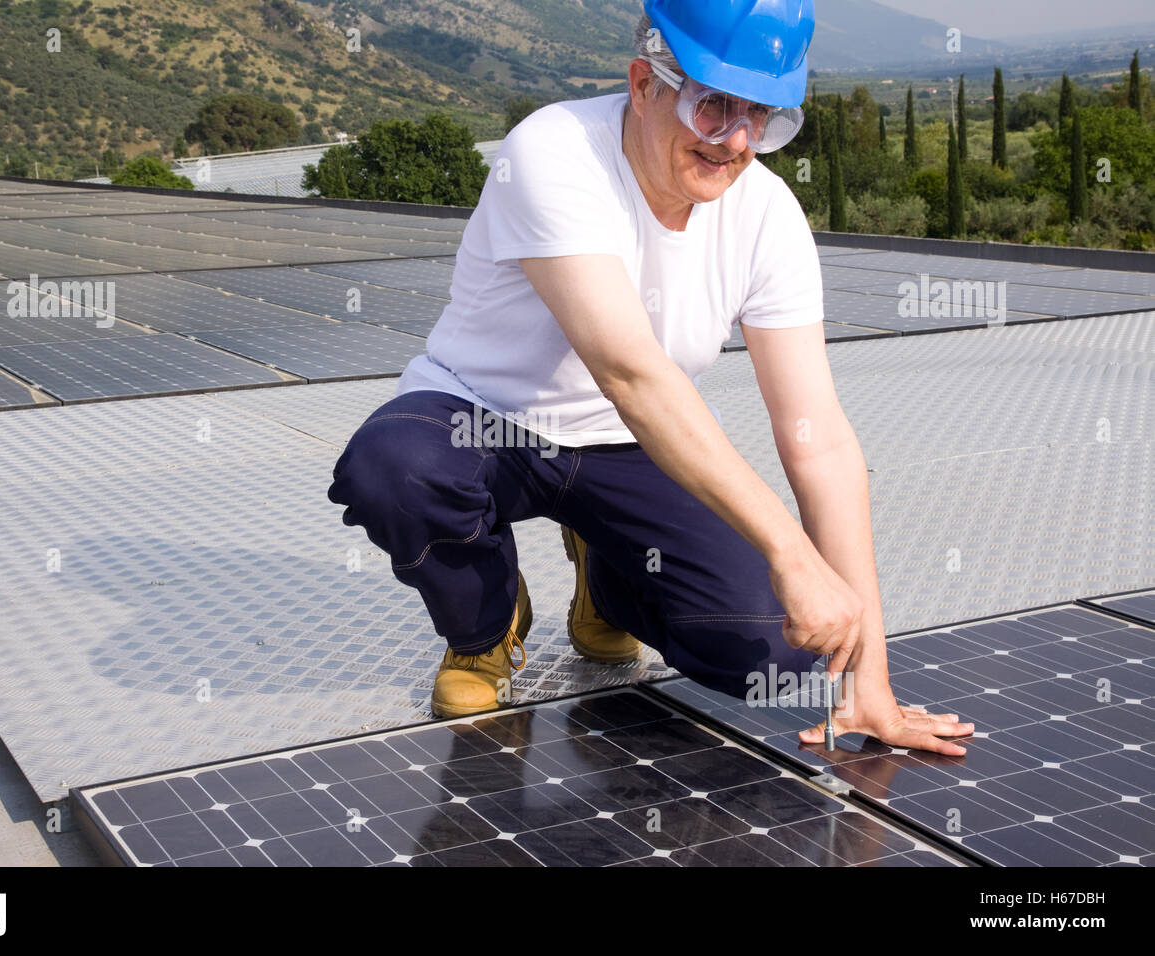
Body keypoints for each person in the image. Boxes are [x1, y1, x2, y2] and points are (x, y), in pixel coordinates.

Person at [328, 0, 973, 755]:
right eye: (712, 106)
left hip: (633, 447)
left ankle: (609, 585)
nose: (735, 142)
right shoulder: (555, 151)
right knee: (396, 470)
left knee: (780, 648)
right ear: (644, 84)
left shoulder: (767, 216)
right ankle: (483, 628)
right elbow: (628, 370)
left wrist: (870, 677)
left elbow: (819, 437)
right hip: (482, 421)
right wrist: (793, 554)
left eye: (762, 118)